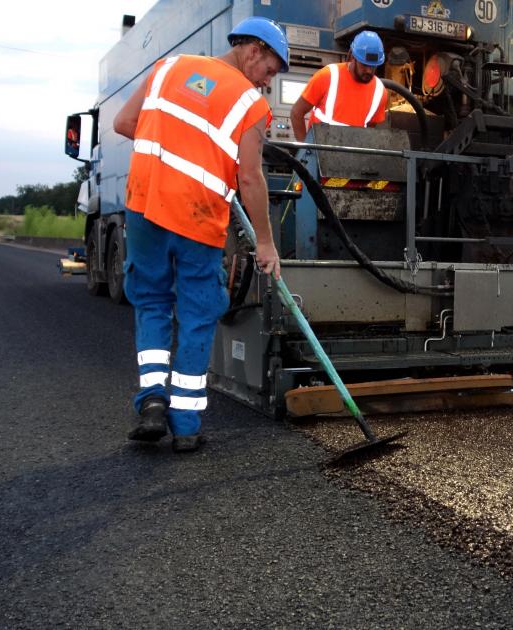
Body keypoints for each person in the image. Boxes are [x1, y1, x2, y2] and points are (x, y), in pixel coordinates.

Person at [112, 17, 288, 453]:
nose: (268, 81)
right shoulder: (249, 104)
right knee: (197, 313)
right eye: (270, 70)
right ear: (253, 52)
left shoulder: (168, 67)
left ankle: (152, 399)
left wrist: (177, 148)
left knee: (152, 302)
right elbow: (249, 179)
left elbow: (124, 122)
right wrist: (265, 244)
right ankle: (186, 426)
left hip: (144, 206)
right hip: (197, 217)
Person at [289, 30, 388, 142]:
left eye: (373, 66)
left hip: (351, 157)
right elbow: (296, 113)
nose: (369, 71)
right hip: (319, 155)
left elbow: (370, 130)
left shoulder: (380, 92)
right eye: (364, 65)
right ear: (353, 57)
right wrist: (304, 152)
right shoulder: (327, 76)